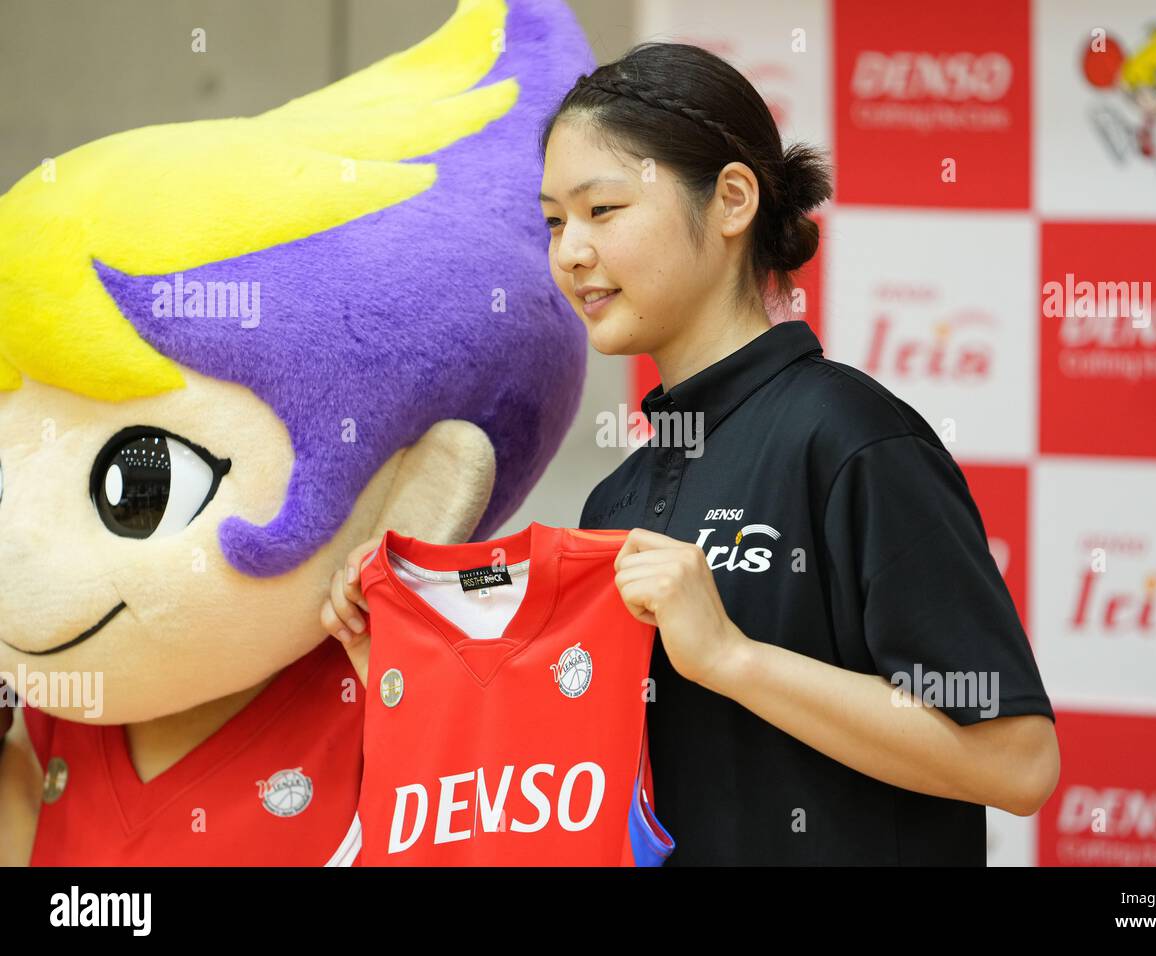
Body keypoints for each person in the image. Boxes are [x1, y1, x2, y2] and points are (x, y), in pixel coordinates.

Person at [321, 41, 1059, 865]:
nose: (569, 253)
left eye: (603, 211)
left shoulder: (848, 435)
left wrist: (733, 659)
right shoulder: (618, 501)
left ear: (732, 200)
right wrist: (407, 665)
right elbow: (561, 790)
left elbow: (1018, 760)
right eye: (553, 222)